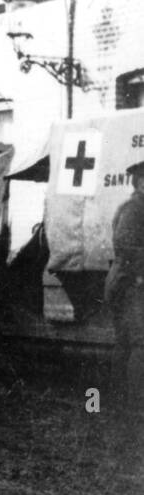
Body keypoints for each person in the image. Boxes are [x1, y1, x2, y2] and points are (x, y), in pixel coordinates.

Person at [106, 159, 144, 409]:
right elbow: (125, 247)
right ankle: (135, 404)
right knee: (140, 342)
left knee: (126, 342)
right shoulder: (134, 209)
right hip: (130, 284)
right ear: (141, 183)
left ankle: (119, 401)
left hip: (130, 283)